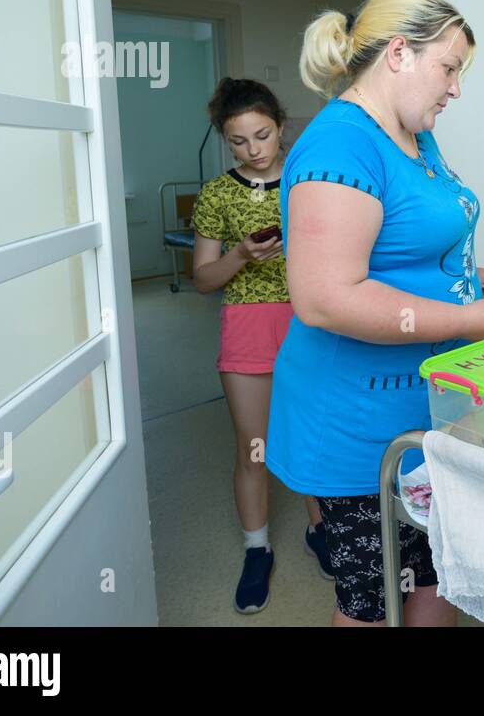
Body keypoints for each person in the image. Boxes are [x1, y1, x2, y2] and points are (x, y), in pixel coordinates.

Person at [267, 0, 484, 627]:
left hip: (428, 406)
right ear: (399, 53)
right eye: (449, 68)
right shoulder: (339, 146)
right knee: (373, 601)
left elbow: (410, 234)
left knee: (440, 572)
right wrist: (466, 319)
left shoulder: (414, 132)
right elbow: (327, 299)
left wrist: (463, 276)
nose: (455, 89)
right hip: (358, 424)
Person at [190, 77, 327, 614]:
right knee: (255, 447)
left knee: (311, 435)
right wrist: (241, 256)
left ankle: (320, 529)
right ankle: (256, 549)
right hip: (246, 323)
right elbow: (203, 279)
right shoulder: (217, 194)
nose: (254, 150)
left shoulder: (308, 178)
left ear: (280, 125)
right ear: (225, 141)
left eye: (263, 135)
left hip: (308, 319)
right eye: (239, 141)